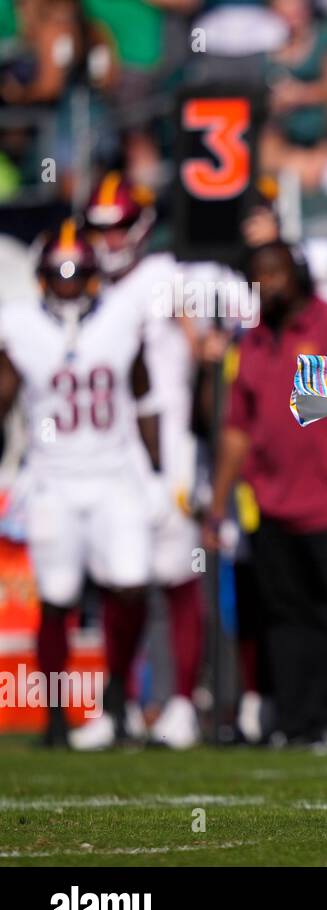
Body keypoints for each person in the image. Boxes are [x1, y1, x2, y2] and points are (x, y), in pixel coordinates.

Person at [206, 241, 327, 747]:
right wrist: (219, 499)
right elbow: (236, 429)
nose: (271, 283)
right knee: (287, 616)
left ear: (299, 273)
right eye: (260, 274)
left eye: (278, 271)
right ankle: (303, 719)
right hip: (271, 504)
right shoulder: (249, 343)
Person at [0, 221, 159, 748]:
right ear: (43, 278)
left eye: (78, 274)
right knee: (58, 595)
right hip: (52, 479)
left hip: (115, 473)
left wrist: (158, 471)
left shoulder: (120, 316)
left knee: (132, 580)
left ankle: (117, 698)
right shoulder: (20, 326)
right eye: (59, 275)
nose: (68, 284)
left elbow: (142, 396)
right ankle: (53, 717)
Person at [80, 172, 217, 750]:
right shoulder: (87, 288)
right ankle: (122, 706)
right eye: (98, 230)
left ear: (140, 227)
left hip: (173, 451)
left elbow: (206, 352)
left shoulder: (168, 278)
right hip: (111, 454)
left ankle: (183, 702)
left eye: (115, 229)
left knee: (178, 578)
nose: (107, 242)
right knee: (120, 583)